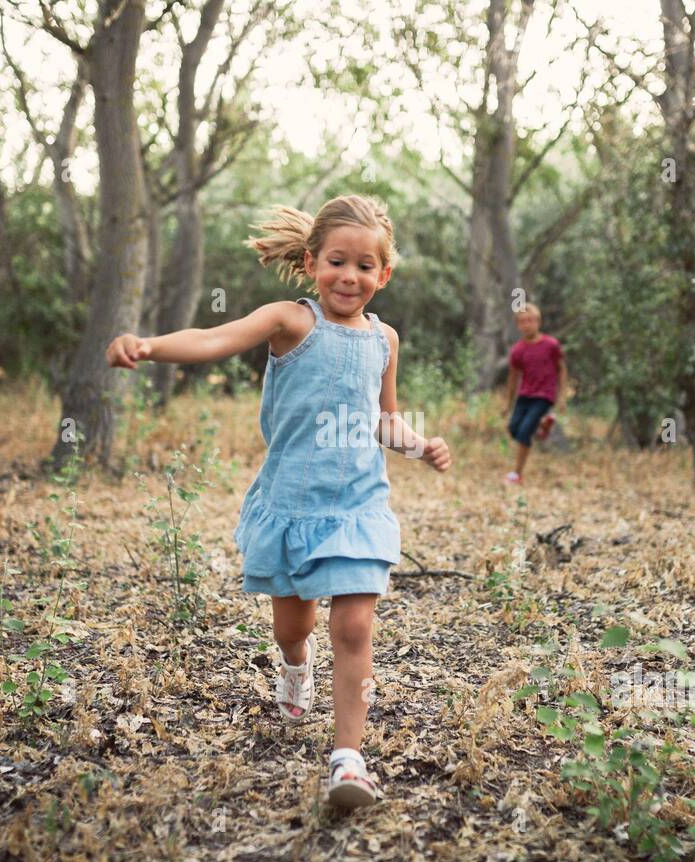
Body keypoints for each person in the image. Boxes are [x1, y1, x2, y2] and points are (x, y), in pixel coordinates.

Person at [105, 195, 451, 808]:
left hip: (358, 506)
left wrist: (419, 444)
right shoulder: (291, 321)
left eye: (365, 266)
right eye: (337, 262)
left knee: (354, 624)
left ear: (384, 274)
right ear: (313, 262)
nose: (350, 276)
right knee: (296, 627)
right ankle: (295, 667)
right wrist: (150, 346)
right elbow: (214, 339)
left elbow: (383, 419)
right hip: (291, 503)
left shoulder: (385, 339)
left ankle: (349, 761)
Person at [504, 304, 566, 484]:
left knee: (523, 433)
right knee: (513, 429)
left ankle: (517, 474)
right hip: (525, 395)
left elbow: (562, 370)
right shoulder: (518, 350)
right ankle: (541, 427)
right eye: (522, 322)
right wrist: (508, 403)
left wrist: (561, 397)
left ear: (538, 322)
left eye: (530, 321)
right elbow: (513, 377)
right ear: (517, 325)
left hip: (544, 395)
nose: (526, 325)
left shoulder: (551, 345)